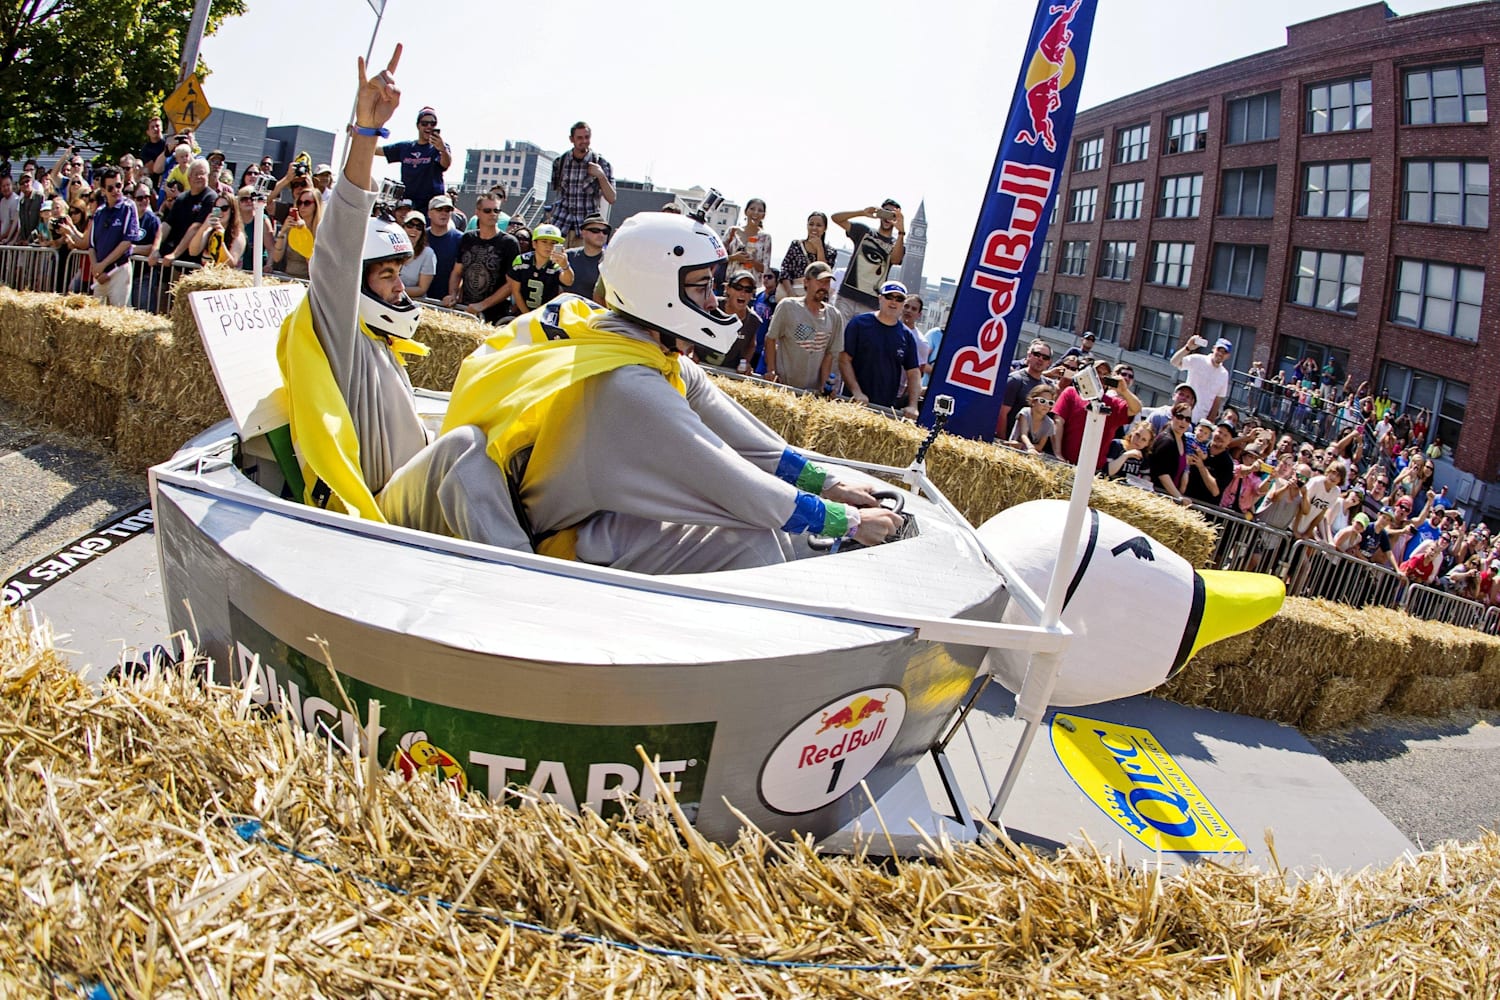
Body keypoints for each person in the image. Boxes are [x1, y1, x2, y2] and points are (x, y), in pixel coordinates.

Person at [440, 209, 901, 573]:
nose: (714, 301)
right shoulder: (629, 383)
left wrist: (830, 484)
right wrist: (848, 522)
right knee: (753, 543)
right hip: (569, 538)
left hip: (602, 517)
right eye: (701, 287)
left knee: (763, 532)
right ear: (655, 291)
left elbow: (753, 445)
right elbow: (730, 480)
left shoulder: (645, 353)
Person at [277, 45, 521, 548]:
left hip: (408, 496)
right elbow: (340, 241)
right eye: (386, 275)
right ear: (354, 284)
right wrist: (367, 132)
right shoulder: (340, 335)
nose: (398, 285)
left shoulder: (382, 341)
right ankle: (519, 568)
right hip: (375, 509)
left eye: (399, 271)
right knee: (465, 445)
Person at [839, 279, 922, 416]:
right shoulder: (859, 324)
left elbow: (913, 373)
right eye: (889, 296)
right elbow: (844, 360)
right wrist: (856, 392)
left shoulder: (907, 335)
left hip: (884, 411)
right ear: (880, 298)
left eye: (899, 299)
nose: (893, 302)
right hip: (853, 405)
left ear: (903, 303)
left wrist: (913, 405)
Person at [763, 261, 844, 392]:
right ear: (806, 282)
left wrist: (824, 385)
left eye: (827, 282)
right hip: (784, 386)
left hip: (810, 393)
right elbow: (770, 339)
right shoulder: (788, 306)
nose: (823, 287)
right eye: (819, 282)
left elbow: (829, 354)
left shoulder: (834, 316)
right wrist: (771, 371)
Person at [1052, 358, 1141, 472]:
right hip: (1065, 463)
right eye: (1097, 372)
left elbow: (1136, 409)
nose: (1101, 377)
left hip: (1093, 470)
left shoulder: (1113, 403)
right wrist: (1058, 454)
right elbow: (1058, 422)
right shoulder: (1071, 393)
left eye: (1105, 374)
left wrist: (1124, 391)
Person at [444, 192, 519, 322]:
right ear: (477, 212)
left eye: (496, 210)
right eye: (487, 210)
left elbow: (511, 284)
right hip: (465, 310)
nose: (492, 214)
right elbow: (457, 272)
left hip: (494, 315)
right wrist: (453, 295)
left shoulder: (509, 243)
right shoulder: (468, 238)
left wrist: (483, 305)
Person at [831, 200, 905, 316]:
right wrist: (862, 212)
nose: (888, 217)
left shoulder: (896, 245)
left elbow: (896, 260)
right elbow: (835, 218)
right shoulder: (864, 232)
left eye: (892, 214)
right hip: (847, 296)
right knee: (839, 328)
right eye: (885, 212)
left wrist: (901, 231)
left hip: (871, 303)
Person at [550, 121, 616, 247]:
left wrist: (601, 176)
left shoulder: (601, 163)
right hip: (561, 225)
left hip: (587, 229)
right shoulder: (560, 162)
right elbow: (557, 191)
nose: (584, 141)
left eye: (587, 137)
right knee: (556, 259)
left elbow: (612, 198)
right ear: (571, 139)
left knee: (582, 260)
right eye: (580, 138)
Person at [84, 166, 142, 306]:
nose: (116, 190)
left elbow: (127, 241)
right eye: (110, 188)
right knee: (96, 314)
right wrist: (96, 269)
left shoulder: (128, 207)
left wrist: (103, 265)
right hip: (100, 274)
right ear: (103, 190)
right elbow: (91, 245)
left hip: (119, 270)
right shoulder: (99, 212)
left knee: (119, 313)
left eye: (118, 185)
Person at [378, 106, 451, 213]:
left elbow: (446, 164)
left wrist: (442, 150)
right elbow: (378, 151)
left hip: (432, 206)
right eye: (424, 123)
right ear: (418, 125)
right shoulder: (405, 147)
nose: (429, 126)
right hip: (408, 205)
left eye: (432, 124)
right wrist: (360, 135)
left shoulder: (440, 147)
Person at [997, 338, 1056, 438]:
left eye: (1045, 357)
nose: (1040, 359)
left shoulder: (1048, 386)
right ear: (1029, 355)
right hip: (1010, 439)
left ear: (1049, 362)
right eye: (1037, 354)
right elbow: (1002, 414)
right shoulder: (1015, 380)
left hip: (1030, 443)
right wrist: (1003, 440)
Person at [1170, 333, 1232, 423]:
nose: (1220, 354)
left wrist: (1209, 422)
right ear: (1213, 348)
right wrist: (1187, 348)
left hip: (1200, 420)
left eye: (1224, 352)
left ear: (1228, 356)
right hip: (1183, 415)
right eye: (1219, 350)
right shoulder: (1198, 360)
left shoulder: (1224, 374)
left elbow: (1217, 400)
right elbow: (1174, 362)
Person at [509, 223, 571, 313]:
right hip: (522, 313)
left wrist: (565, 266)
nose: (548, 246)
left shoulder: (557, 263)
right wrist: (528, 315)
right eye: (544, 241)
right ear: (534, 244)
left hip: (547, 314)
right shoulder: (521, 261)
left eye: (553, 243)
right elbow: (516, 292)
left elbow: (569, 281)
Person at [777, 211, 836, 299]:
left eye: (819, 225)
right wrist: (790, 293)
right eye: (811, 224)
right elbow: (785, 270)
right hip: (793, 293)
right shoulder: (796, 245)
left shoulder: (830, 251)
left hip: (816, 296)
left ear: (825, 228)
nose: (814, 228)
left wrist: (819, 248)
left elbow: (824, 273)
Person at [185, 189, 245, 267]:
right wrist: (203, 228)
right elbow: (193, 252)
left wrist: (220, 239)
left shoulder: (237, 235)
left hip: (224, 274)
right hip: (206, 273)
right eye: (216, 208)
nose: (220, 212)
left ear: (232, 211)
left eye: (224, 208)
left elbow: (231, 264)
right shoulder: (209, 231)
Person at [272, 187, 322, 279]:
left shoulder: (321, 230)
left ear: (316, 205)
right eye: (299, 203)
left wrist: (304, 232)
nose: (302, 206)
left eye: (307, 203)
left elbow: (312, 264)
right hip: (288, 277)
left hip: (310, 279)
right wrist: (283, 232)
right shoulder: (292, 227)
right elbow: (276, 258)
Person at [1183, 422, 1235, 505]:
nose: (1221, 436)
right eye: (1219, 432)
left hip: (1203, 507)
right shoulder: (1198, 445)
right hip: (1184, 498)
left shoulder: (1228, 463)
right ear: (1213, 433)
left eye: (1225, 435)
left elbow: (1215, 491)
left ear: (1230, 441)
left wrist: (1201, 467)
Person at [424, 194, 462, 302]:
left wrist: (454, 295)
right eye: (439, 209)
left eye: (447, 210)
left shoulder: (460, 239)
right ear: (429, 213)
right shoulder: (422, 237)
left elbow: (462, 272)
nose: (444, 213)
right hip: (421, 298)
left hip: (447, 301)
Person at [566, 214, 609, 304]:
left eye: (605, 232)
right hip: (565, 309)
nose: (601, 235)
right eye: (595, 231)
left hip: (594, 311)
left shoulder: (610, 261)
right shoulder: (567, 256)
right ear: (583, 232)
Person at [725, 197, 772, 279]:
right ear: (745, 211)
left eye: (760, 210)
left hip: (753, 283)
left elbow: (765, 268)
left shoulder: (765, 237)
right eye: (752, 209)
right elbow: (718, 257)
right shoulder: (732, 231)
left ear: (763, 215)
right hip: (731, 281)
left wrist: (752, 261)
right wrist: (734, 257)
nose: (755, 212)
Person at [1008, 383, 1059, 456]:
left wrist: (1024, 447)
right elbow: (1023, 435)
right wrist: (1030, 447)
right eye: (1042, 401)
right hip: (1012, 451)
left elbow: (1040, 446)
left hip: (1031, 454)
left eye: (1050, 403)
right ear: (1033, 402)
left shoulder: (1049, 423)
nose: (1046, 405)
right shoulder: (1025, 412)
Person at [397, 212, 436, 297]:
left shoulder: (428, 254)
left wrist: (394, 290)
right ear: (402, 227)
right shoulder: (392, 248)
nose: (414, 230)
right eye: (410, 225)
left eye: (419, 227)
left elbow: (422, 289)